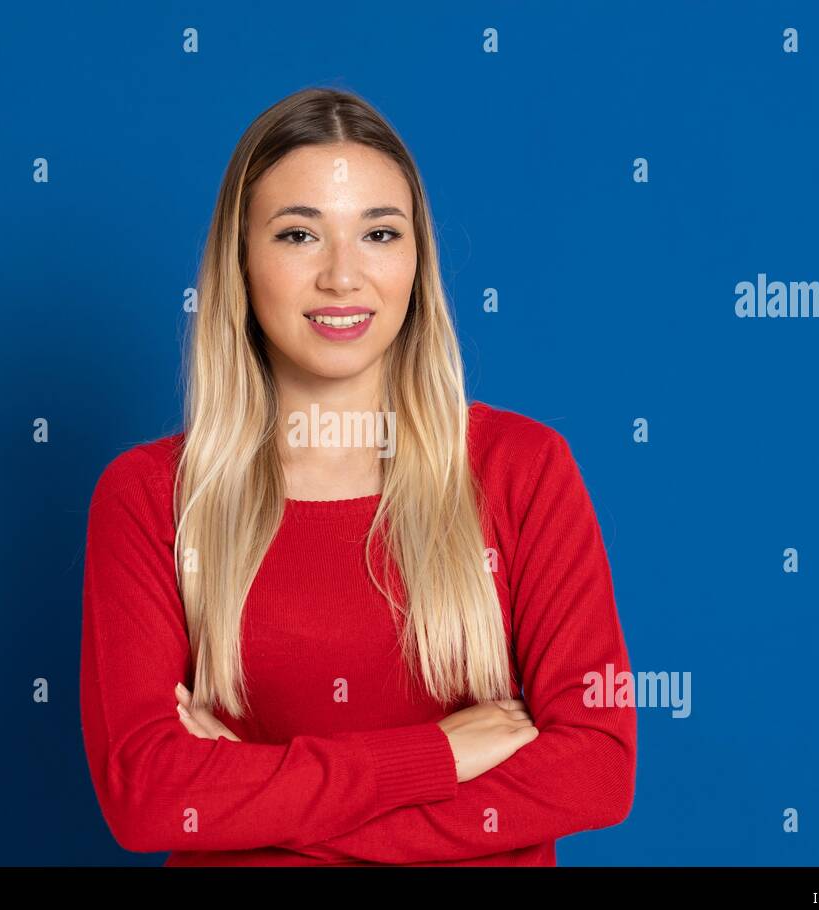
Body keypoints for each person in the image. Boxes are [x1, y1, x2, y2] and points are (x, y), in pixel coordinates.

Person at [79, 86, 635, 865]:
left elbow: (596, 771)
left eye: (379, 232)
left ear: (416, 260)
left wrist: (261, 804)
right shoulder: (148, 498)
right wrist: (436, 759)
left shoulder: (524, 469)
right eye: (299, 234)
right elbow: (151, 798)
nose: (344, 277)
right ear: (241, 260)